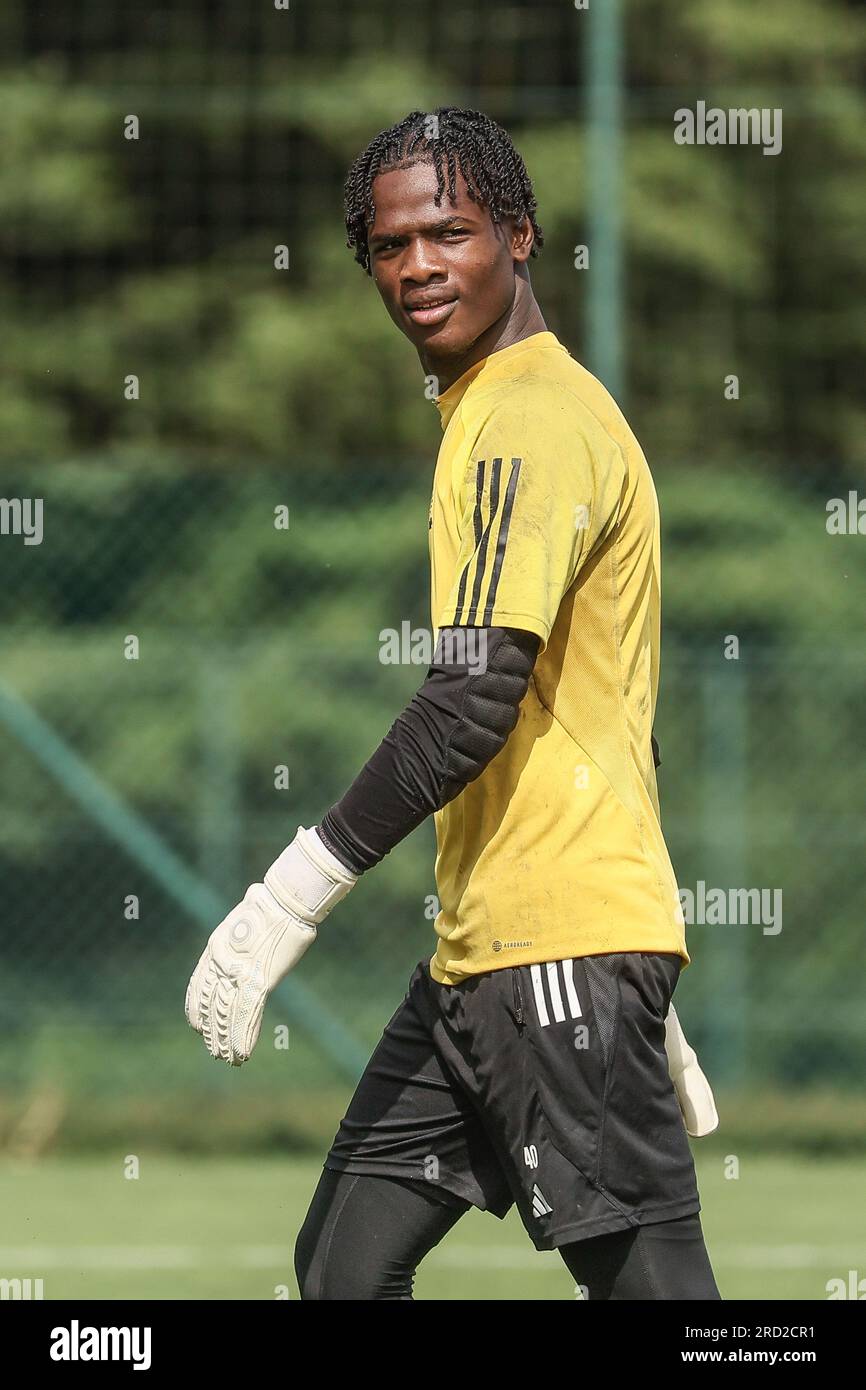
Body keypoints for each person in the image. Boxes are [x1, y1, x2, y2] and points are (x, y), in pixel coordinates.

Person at [185, 107, 720, 1301]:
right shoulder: (512, 406)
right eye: (390, 245)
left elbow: (473, 698)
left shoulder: (524, 419)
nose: (418, 265)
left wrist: (285, 901)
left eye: (450, 231)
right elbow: (598, 713)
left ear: (518, 235)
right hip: (496, 955)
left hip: (551, 952)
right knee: (344, 1266)